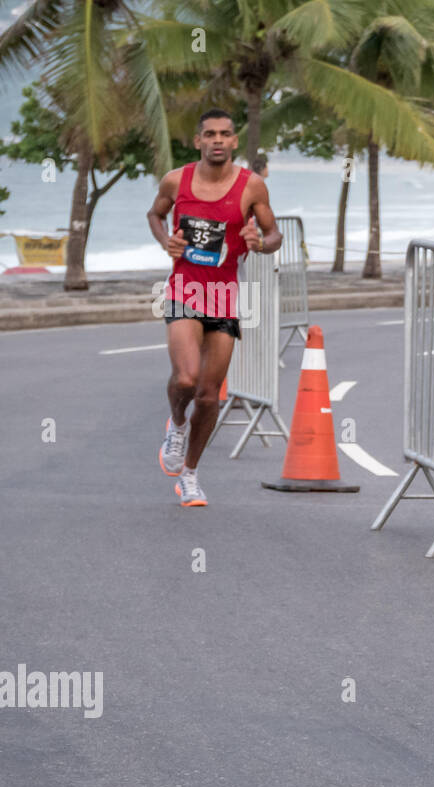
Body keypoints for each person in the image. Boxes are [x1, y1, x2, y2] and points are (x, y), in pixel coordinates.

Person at [146, 108, 281, 507]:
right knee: (186, 380)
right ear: (198, 140)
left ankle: (189, 474)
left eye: (225, 134)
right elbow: (155, 214)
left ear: (235, 141)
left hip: (224, 296)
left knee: (209, 395)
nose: (217, 140)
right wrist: (163, 240)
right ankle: (177, 424)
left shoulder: (251, 187)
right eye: (210, 134)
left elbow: (274, 234)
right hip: (184, 289)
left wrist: (260, 242)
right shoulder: (176, 180)